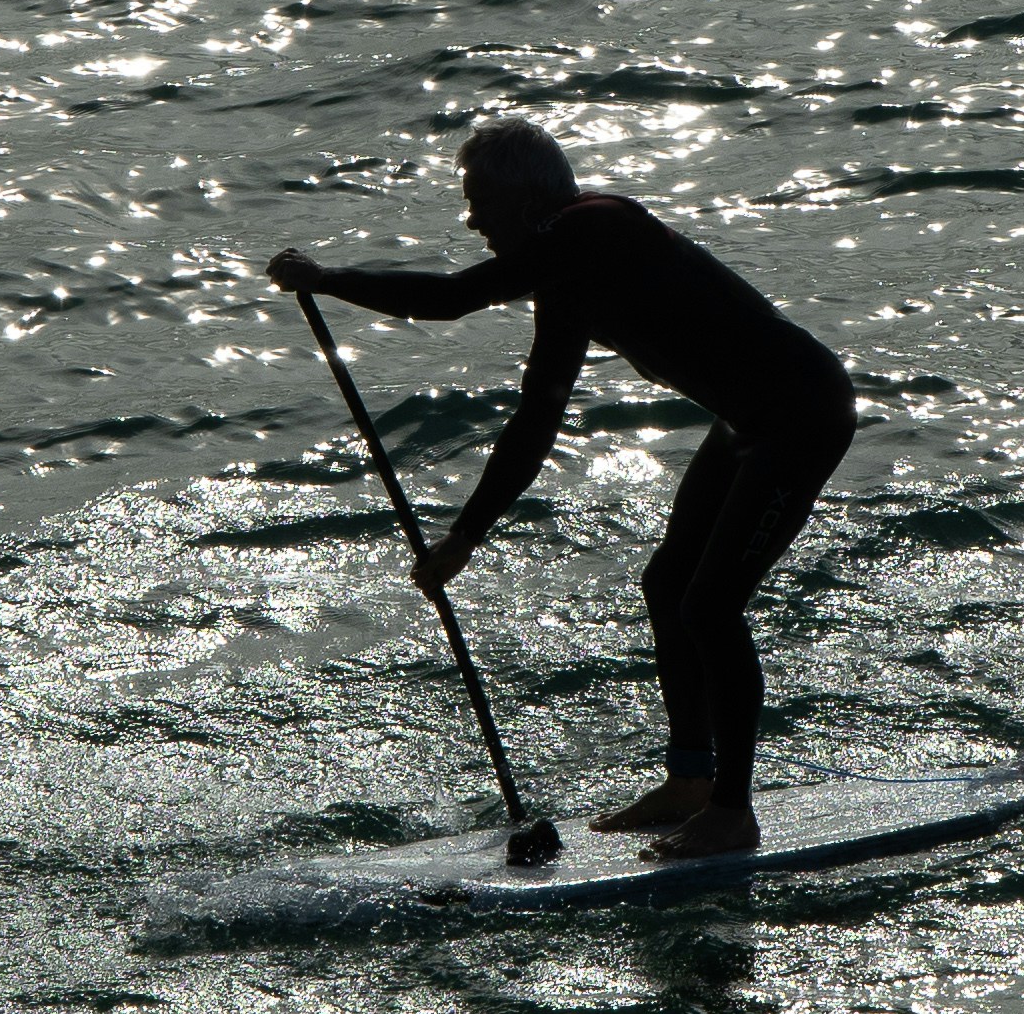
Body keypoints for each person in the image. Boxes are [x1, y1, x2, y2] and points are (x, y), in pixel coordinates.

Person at [267, 121, 856, 859]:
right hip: (749, 422)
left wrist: (327, 279)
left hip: (802, 415)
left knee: (709, 605)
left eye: (479, 200)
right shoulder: (568, 281)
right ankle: (691, 782)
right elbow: (536, 419)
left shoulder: (597, 228)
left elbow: (452, 299)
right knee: (669, 583)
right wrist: (466, 535)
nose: (472, 219)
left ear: (523, 200)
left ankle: (733, 813)